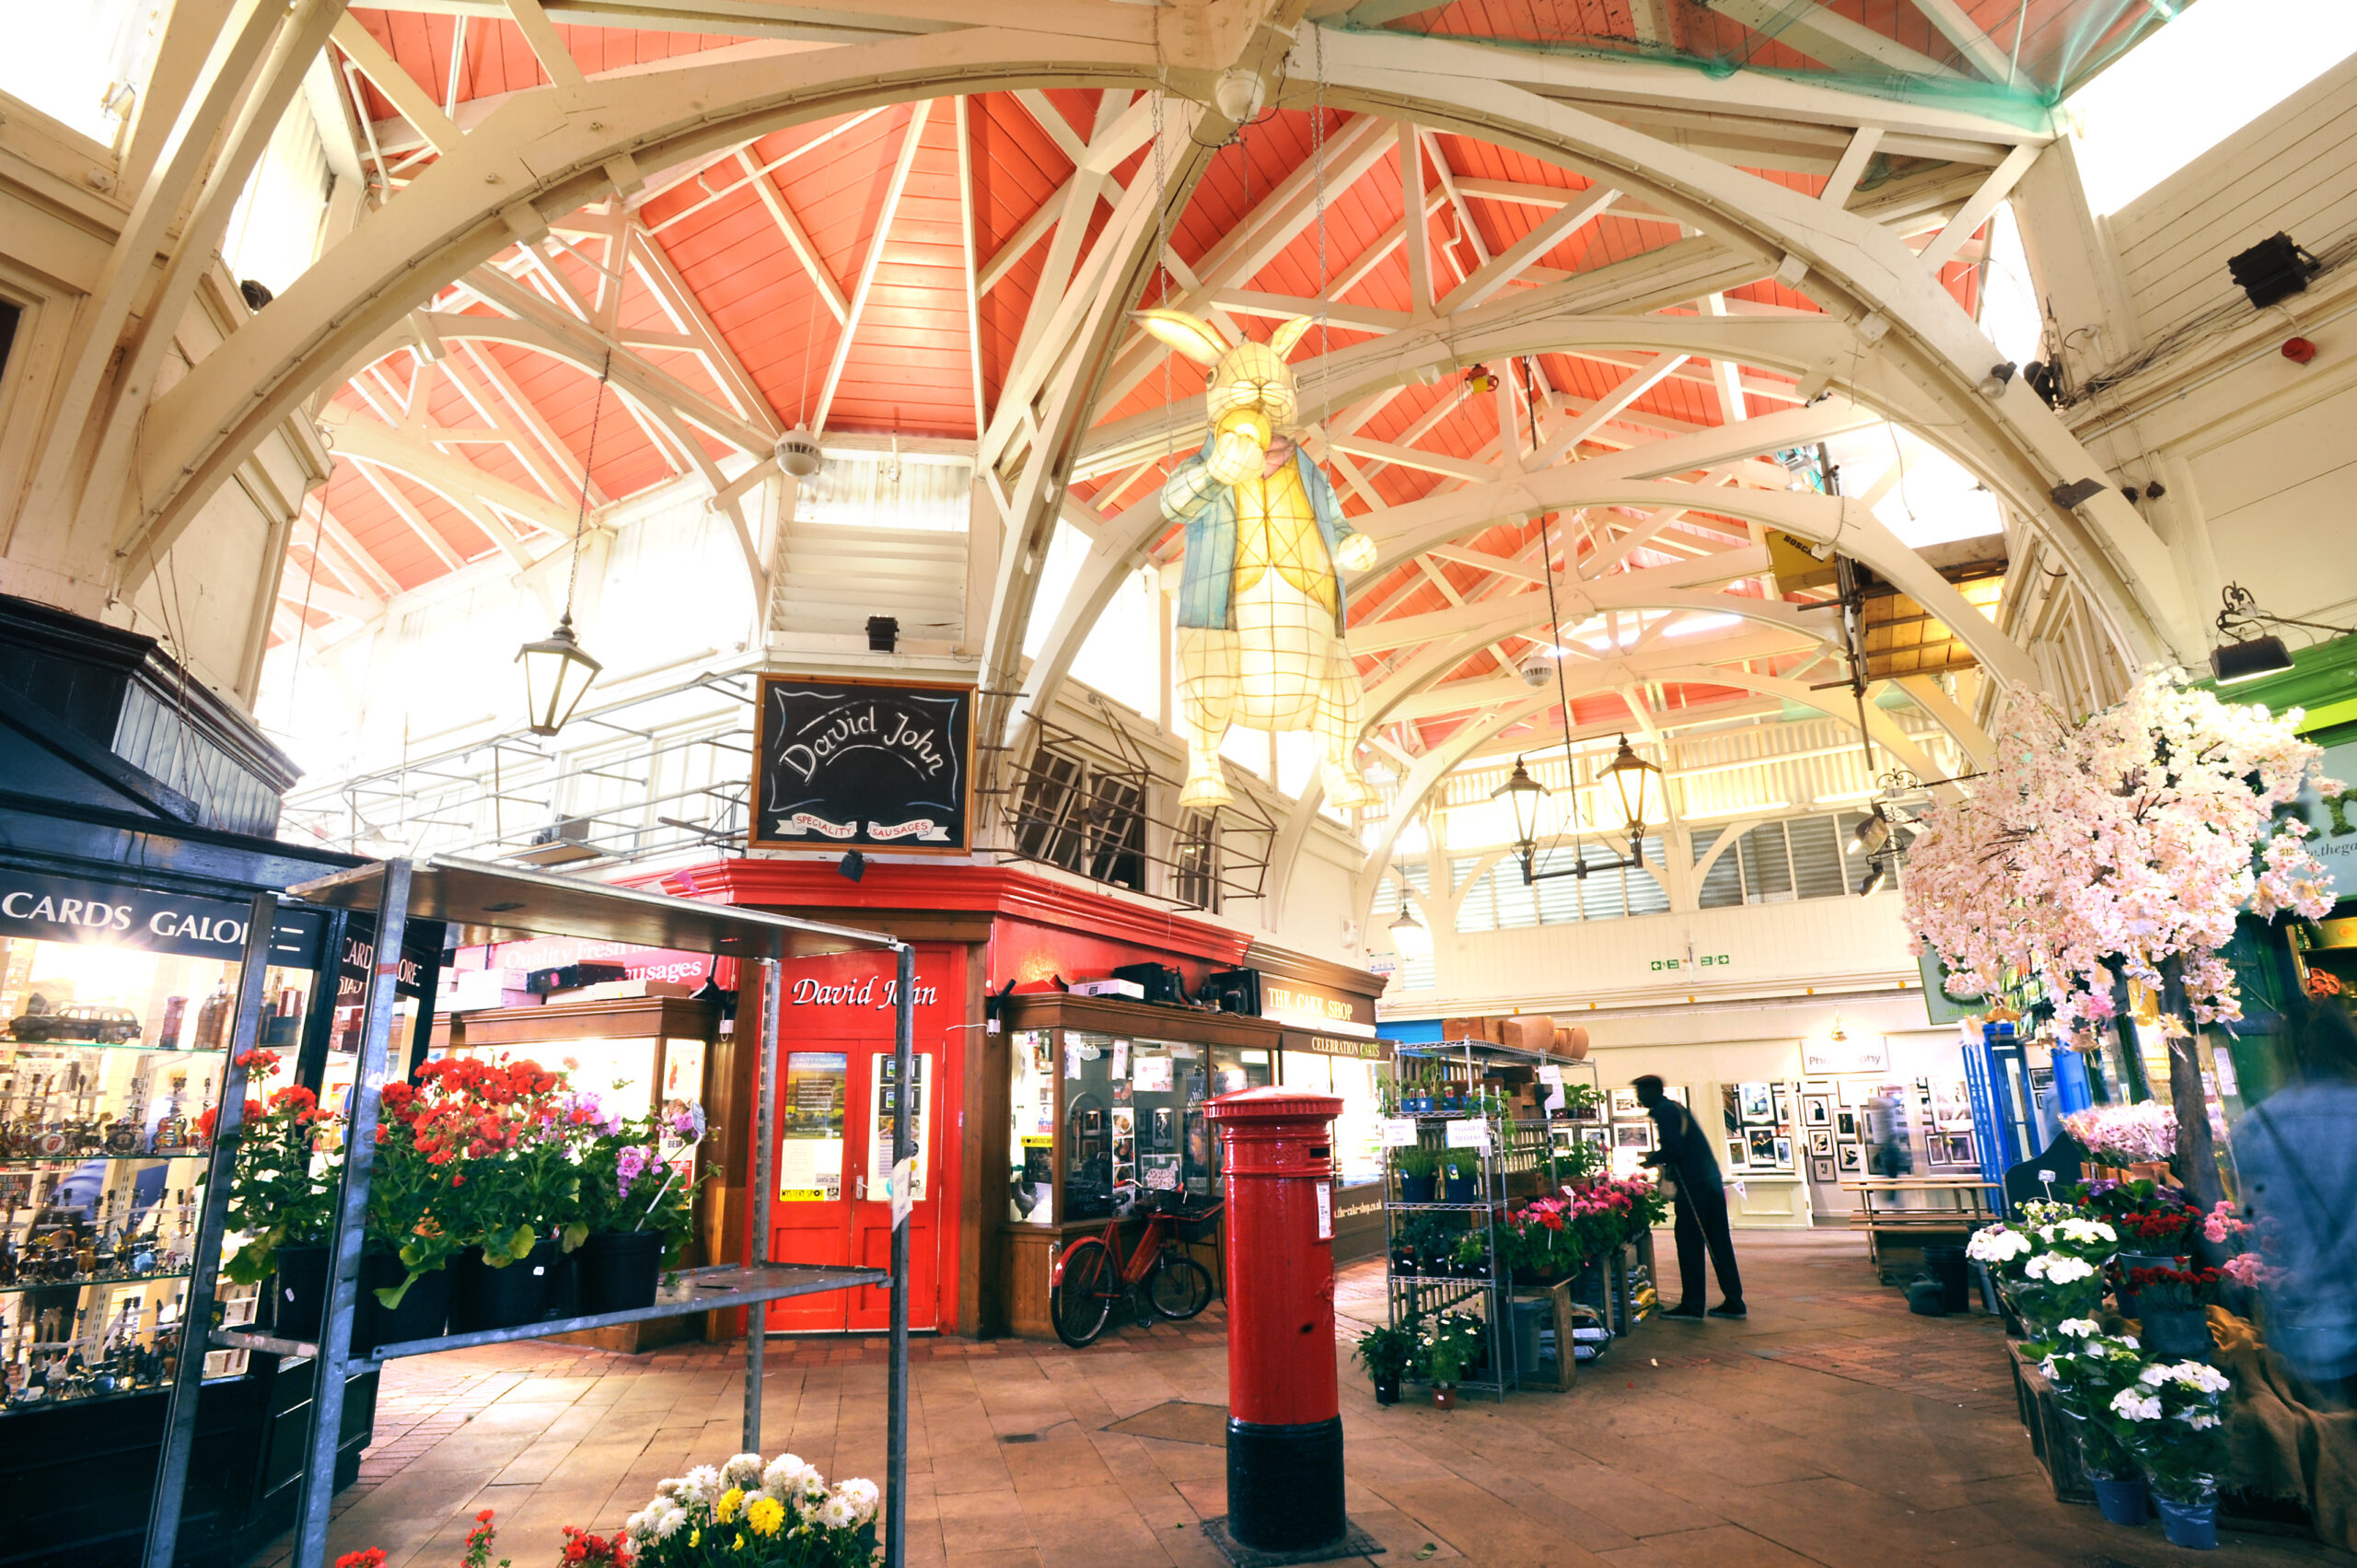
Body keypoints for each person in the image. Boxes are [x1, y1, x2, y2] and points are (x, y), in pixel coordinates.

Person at [1633, 1075, 1746, 1319]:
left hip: (1694, 1185)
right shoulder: (1675, 1107)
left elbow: (1675, 1149)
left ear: (1652, 1091)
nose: (1638, 1096)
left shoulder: (1663, 1111)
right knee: (1719, 1242)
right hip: (1709, 1181)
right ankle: (1734, 1301)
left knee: (1689, 1243)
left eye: (1640, 1091)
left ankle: (1693, 1306)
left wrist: (1651, 1159)